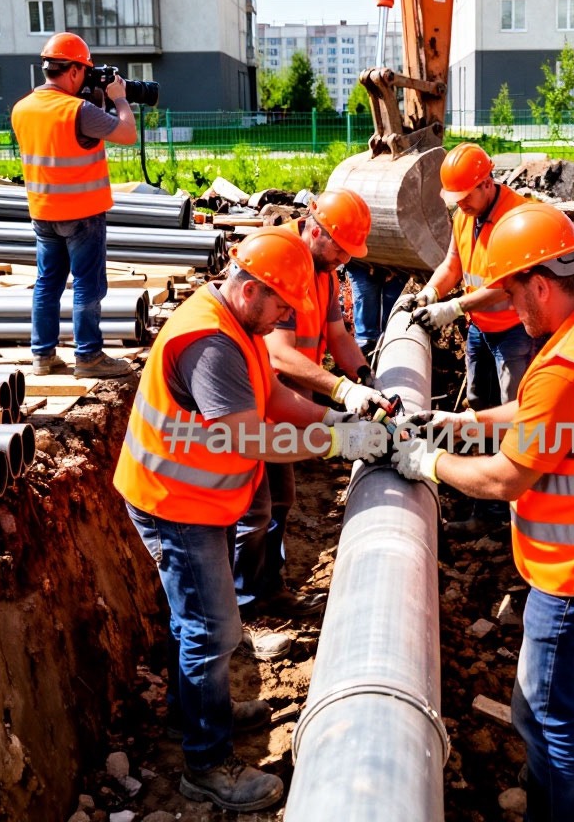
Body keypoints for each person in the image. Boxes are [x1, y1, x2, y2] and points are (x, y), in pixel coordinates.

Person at [393, 201, 574, 822]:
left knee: (546, 718)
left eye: (510, 293)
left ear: (540, 285)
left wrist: (427, 465)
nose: (505, 308)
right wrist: (464, 421)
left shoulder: (565, 367)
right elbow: (546, 416)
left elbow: (506, 477)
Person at [113, 226, 383, 813]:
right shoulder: (210, 342)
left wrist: (341, 412)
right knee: (213, 630)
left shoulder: (238, 322)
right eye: (282, 303)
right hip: (173, 502)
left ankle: (194, 711)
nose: (286, 315)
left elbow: (272, 401)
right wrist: (339, 443)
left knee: (198, 623)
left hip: (194, 498)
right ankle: (206, 764)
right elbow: (248, 435)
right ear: (252, 288)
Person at [234, 190, 391, 618]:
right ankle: (247, 601)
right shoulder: (280, 263)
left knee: (278, 500)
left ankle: (268, 587)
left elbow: (338, 336)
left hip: (286, 403)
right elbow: (279, 354)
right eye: (340, 247)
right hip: (255, 407)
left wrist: (365, 379)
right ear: (315, 230)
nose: (344, 257)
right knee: (256, 508)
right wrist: (342, 395)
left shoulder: (325, 270)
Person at [408, 142, 535, 535]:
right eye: (455, 200)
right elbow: (452, 264)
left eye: (464, 198)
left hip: (513, 332)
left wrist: (454, 307)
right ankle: (488, 512)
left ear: (486, 183)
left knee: (517, 419)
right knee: (478, 414)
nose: (459, 206)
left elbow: (506, 285)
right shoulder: (467, 215)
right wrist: (430, 293)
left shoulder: (516, 216)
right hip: (480, 331)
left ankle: (522, 512)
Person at [11, 31, 138, 379]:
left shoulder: (21, 109)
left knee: (47, 283)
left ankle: (43, 356)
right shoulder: (78, 110)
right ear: (73, 72)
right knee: (87, 284)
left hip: (43, 213)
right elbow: (128, 134)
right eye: (85, 71)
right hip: (82, 214)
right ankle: (89, 356)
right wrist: (119, 98)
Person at [346, 259, 407, 359]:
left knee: (392, 303)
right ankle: (365, 344)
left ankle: (390, 341)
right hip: (359, 262)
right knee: (365, 300)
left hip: (398, 263)